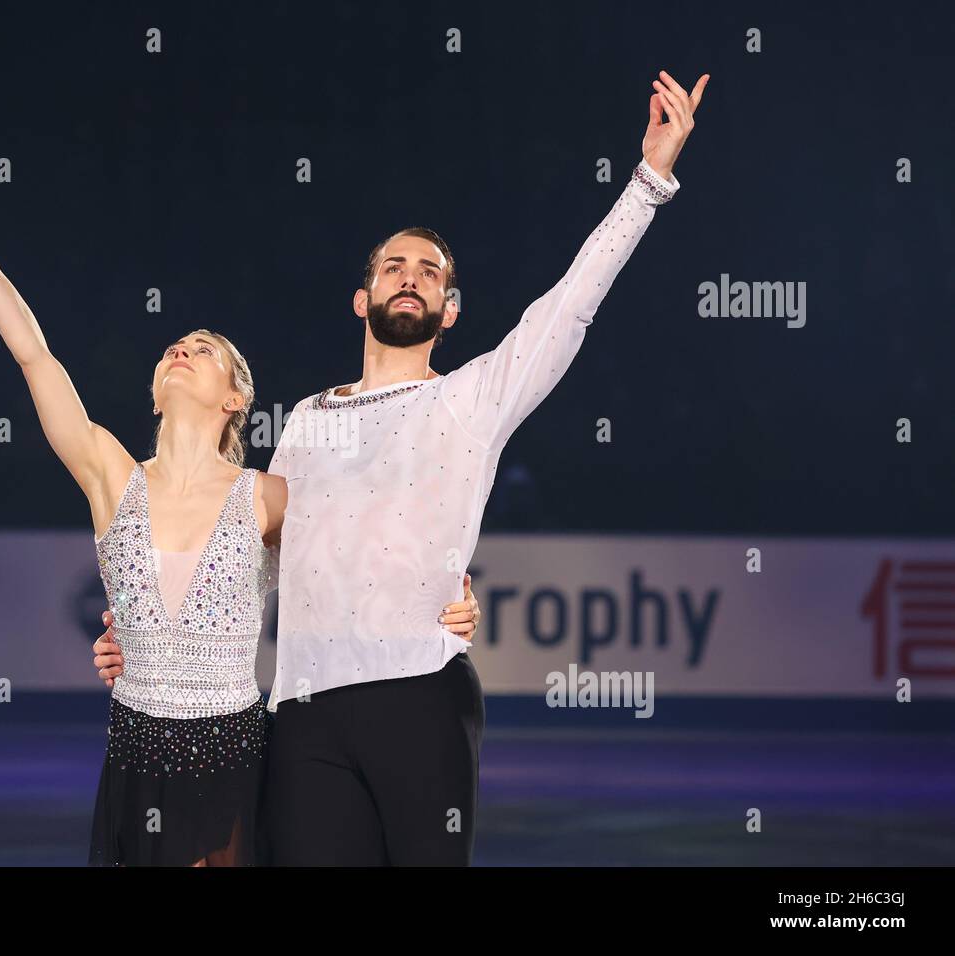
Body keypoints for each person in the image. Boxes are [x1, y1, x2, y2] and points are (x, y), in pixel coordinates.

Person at [95, 69, 708, 865]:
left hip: (420, 696)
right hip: (304, 714)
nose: (410, 277)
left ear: (450, 311)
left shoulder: (471, 401)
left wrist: (649, 180)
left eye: (429, 272)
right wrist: (144, 641)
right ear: (362, 299)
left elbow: (571, 303)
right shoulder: (307, 422)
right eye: (393, 266)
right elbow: (251, 567)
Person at [0, 142, 481, 867]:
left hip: (230, 761)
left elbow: (375, 544)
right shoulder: (111, 477)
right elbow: (35, 357)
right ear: (155, 388)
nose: (180, 349)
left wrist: (448, 598)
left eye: (203, 347)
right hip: (132, 757)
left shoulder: (268, 496)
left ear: (235, 400)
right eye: (173, 347)